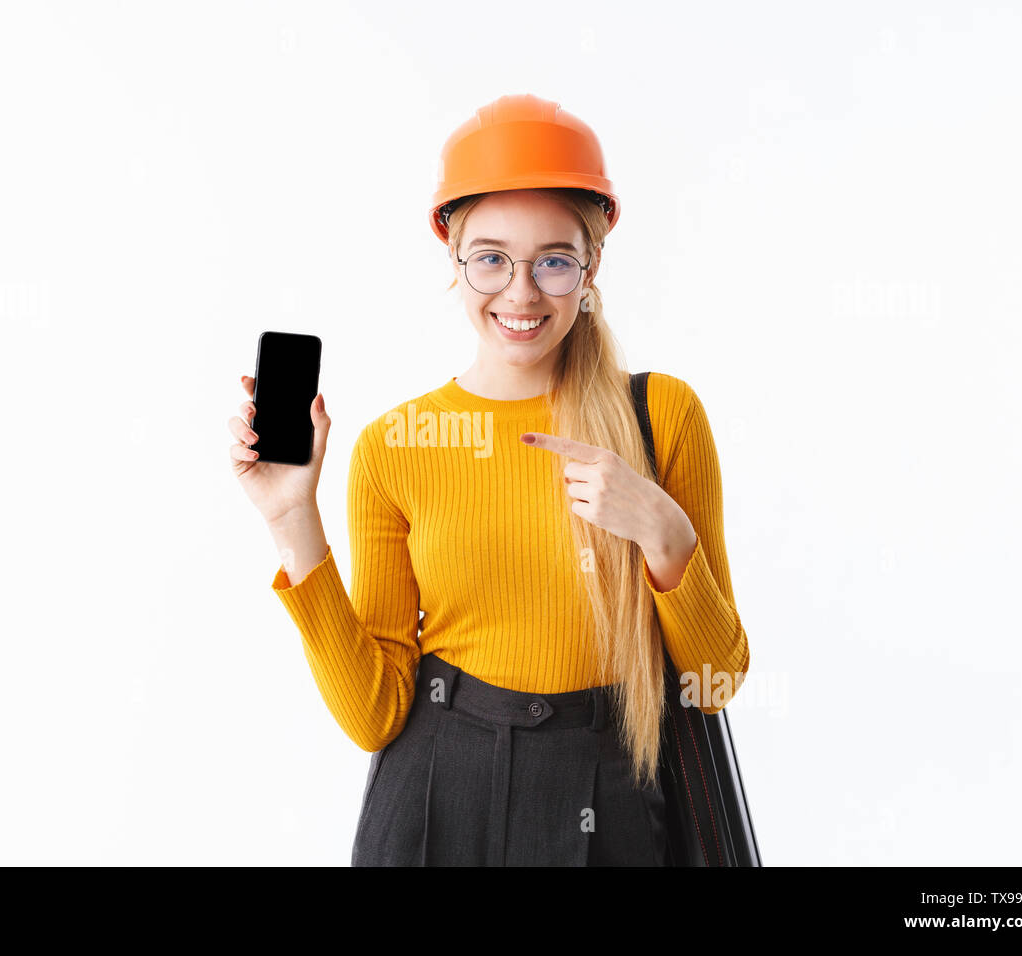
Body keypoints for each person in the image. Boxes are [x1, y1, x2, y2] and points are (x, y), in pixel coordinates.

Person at [231, 93, 750, 866]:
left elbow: (716, 680)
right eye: (492, 257)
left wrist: (664, 533)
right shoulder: (394, 447)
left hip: (614, 791)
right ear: (455, 257)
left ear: (592, 265)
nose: (520, 292)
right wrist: (289, 520)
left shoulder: (662, 417)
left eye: (553, 260)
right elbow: (375, 714)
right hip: (441, 796)